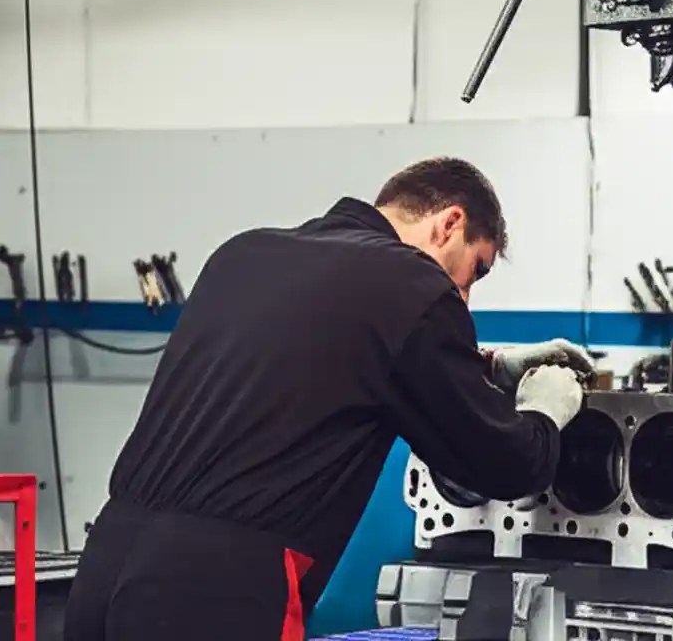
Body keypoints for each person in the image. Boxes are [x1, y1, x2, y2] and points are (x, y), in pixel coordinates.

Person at [64, 157, 593, 641]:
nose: (464, 296)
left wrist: (486, 366)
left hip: (104, 565)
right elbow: (501, 466)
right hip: (214, 597)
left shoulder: (244, 253)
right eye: (474, 271)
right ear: (449, 223)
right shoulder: (416, 288)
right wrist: (545, 410)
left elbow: (323, 356)